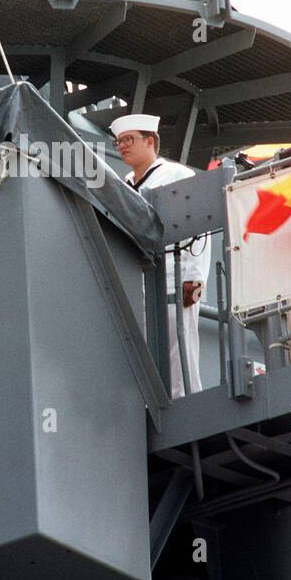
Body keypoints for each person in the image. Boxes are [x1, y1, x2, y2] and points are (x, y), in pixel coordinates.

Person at [110, 113, 211, 398]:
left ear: (150, 141)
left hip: (177, 279)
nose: (122, 146)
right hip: (140, 281)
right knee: (145, 348)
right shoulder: (123, 185)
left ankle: (187, 401)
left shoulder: (177, 176)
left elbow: (198, 235)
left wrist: (193, 282)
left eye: (129, 139)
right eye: (118, 142)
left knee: (180, 347)